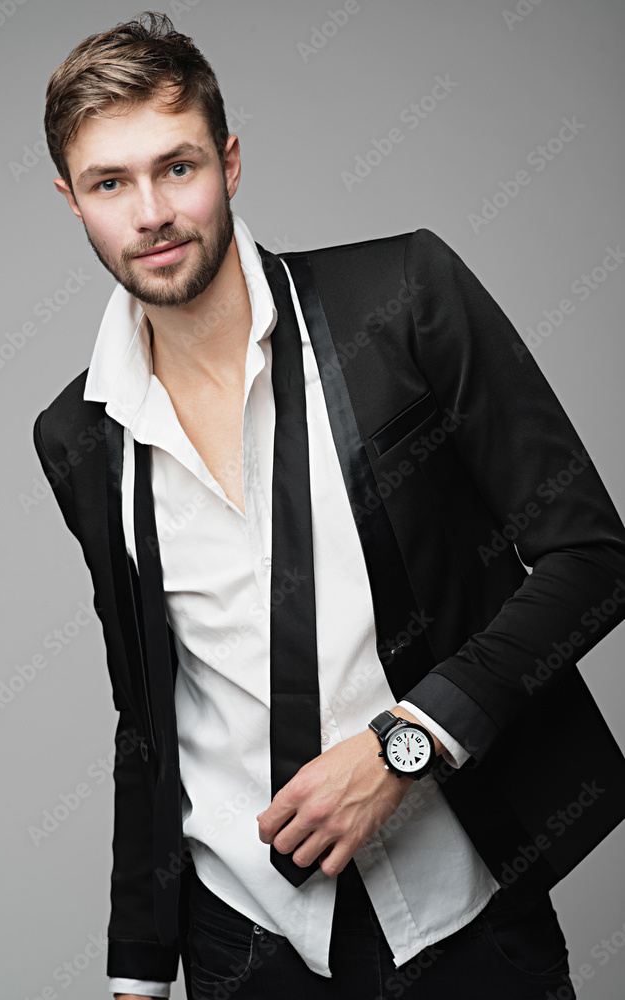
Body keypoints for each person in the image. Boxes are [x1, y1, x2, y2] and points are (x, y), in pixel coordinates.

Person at [33, 12, 625, 1000]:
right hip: (241, 949)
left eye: (176, 167)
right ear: (73, 200)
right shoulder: (77, 436)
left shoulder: (401, 298)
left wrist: (411, 741)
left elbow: (590, 557)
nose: (151, 213)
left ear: (227, 160)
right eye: (110, 183)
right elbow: (148, 712)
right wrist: (135, 977)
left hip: (466, 921)